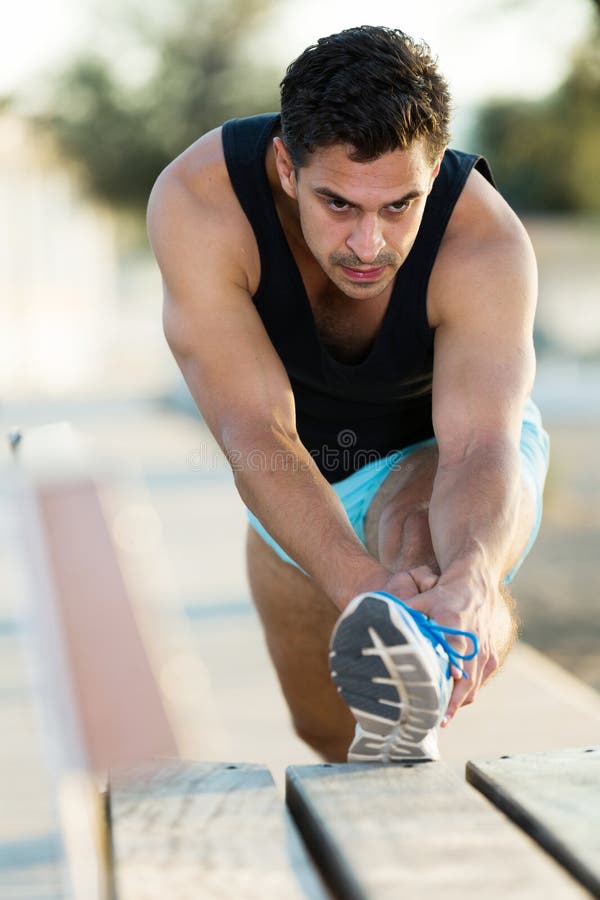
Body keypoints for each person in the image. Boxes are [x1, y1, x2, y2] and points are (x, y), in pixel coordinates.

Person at [148, 25, 549, 763]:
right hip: (294, 466)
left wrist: (470, 579)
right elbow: (254, 432)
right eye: (340, 204)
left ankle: (438, 647)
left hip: (442, 448)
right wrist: (362, 587)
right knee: (325, 733)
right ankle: (407, 669)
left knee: (425, 535)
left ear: (434, 173)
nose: (370, 245)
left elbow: (478, 443)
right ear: (287, 168)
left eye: (400, 206)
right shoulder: (202, 204)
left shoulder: (483, 240)